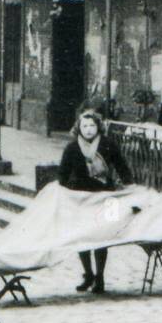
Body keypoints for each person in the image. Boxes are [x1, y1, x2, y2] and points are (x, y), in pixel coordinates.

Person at [59, 106, 133, 293]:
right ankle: (88, 274)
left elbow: (122, 167)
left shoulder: (108, 144)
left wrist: (130, 186)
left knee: (102, 237)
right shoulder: (72, 148)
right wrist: (63, 192)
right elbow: (63, 174)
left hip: (105, 195)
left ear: (98, 127)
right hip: (81, 197)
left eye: (92, 125)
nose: (89, 129)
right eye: (85, 126)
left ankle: (100, 277)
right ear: (79, 127)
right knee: (82, 236)